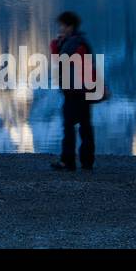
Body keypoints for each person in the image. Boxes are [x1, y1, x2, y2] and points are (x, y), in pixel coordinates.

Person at [49, 11, 95, 172]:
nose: (60, 28)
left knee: (70, 126)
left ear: (70, 26)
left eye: (62, 25)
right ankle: (86, 162)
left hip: (76, 91)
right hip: (82, 90)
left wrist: (56, 47)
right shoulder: (77, 42)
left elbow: (63, 64)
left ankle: (68, 161)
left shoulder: (75, 44)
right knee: (84, 126)